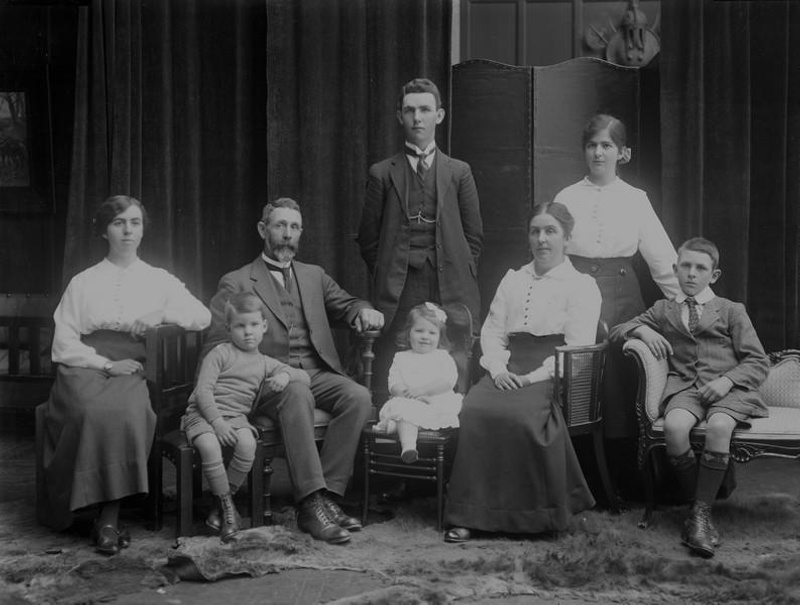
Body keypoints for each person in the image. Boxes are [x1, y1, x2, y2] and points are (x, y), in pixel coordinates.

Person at [204, 197, 384, 545]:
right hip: (265, 381)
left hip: (314, 372)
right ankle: (310, 502)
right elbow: (215, 344)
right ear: (263, 230)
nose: (287, 235)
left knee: (358, 396)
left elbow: (346, 304)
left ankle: (328, 497)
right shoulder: (237, 281)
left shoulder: (313, 275)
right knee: (296, 391)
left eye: (294, 227)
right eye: (280, 226)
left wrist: (364, 310)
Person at [40, 195, 211, 555]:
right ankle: (86, 507)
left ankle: (108, 517)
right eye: (119, 223)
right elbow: (63, 342)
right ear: (104, 231)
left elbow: (202, 317)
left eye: (134, 222)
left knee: (126, 411)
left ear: (143, 229)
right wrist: (103, 364)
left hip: (132, 366)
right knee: (88, 410)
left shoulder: (157, 279)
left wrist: (159, 313)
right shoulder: (83, 282)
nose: (128, 230)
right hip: (83, 364)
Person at [443, 202, 601, 543]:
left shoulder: (582, 284)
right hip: (509, 365)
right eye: (535, 231)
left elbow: (577, 348)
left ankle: (532, 516)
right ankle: (470, 514)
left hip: (553, 371)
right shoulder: (513, 279)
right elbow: (492, 331)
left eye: (550, 231)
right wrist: (498, 370)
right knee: (474, 409)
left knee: (522, 417)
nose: (542, 239)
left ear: (567, 239)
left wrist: (531, 379)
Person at [610, 237, 769, 558]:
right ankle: (699, 507)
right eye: (686, 266)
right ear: (675, 269)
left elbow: (758, 361)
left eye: (701, 268)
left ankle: (698, 518)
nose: (692, 274)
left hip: (729, 389)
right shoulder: (663, 310)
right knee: (674, 427)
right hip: (686, 389)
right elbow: (617, 330)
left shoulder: (730, 311)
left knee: (719, 427)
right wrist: (643, 331)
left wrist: (726, 381)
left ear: (714, 274)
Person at [552, 114, 680, 496]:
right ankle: (583, 480)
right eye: (592, 145)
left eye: (607, 145)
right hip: (574, 290)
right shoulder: (567, 197)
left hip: (623, 295)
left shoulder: (635, 199)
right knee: (579, 380)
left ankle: (626, 482)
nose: (598, 152)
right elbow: (552, 251)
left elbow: (661, 259)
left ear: (623, 153)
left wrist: (690, 303)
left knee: (621, 382)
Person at [357, 77, 483, 404]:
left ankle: (449, 439)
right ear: (400, 116)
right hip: (400, 287)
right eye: (410, 110)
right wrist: (390, 268)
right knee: (397, 364)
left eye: (425, 110)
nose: (417, 118)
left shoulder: (459, 172)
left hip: (449, 284)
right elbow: (368, 239)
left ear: (438, 116)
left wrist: (457, 270)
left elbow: (474, 237)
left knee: (451, 362)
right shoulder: (382, 173)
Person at [181, 292, 310, 542]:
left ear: (264, 326)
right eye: (240, 326)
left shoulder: (264, 362)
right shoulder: (220, 353)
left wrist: (285, 376)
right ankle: (229, 510)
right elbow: (202, 392)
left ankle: (222, 502)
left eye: (253, 325)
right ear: (229, 328)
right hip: (204, 414)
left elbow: (304, 378)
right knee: (208, 445)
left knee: (248, 443)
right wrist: (217, 423)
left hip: (236, 418)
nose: (248, 332)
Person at [375, 302, 463, 463]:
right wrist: (409, 395)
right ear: (409, 333)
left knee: (421, 414)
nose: (425, 336)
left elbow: (448, 381)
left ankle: (396, 427)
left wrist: (423, 391)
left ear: (439, 337)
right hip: (409, 401)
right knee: (402, 408)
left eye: (432, 333)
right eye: (419, 331)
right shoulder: (401, 357)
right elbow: (394, 383)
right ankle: (409, 447)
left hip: (434, 401)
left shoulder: (442, 357)